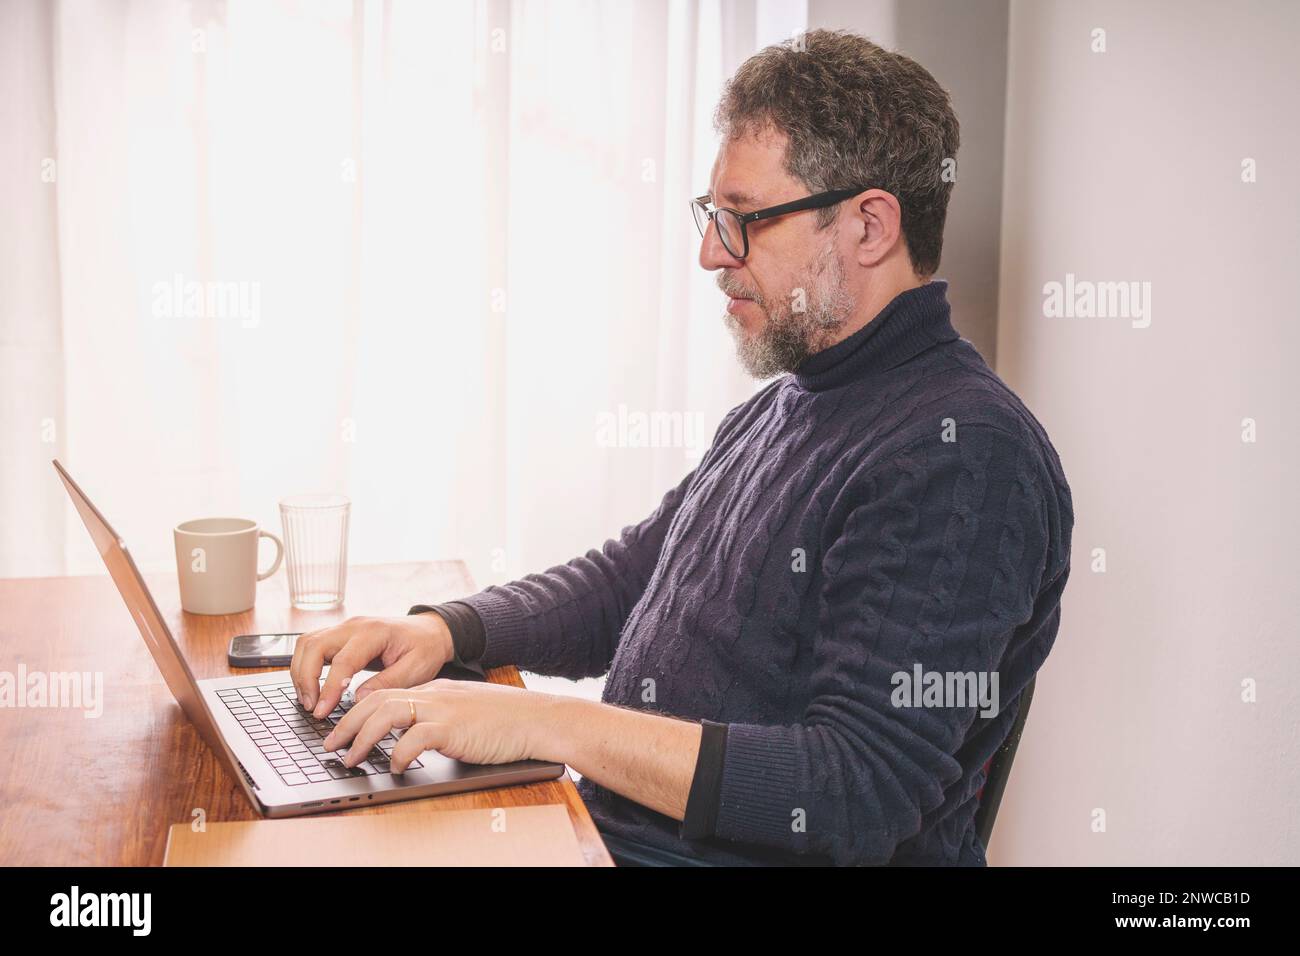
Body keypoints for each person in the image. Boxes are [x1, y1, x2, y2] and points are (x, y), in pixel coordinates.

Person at [291, 29, 1073, 866]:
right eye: (714, 217)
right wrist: (451, 630)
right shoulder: (788, 403)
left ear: (870, 226)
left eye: (744, 220)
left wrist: (539, 722)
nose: (711, 254)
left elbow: (853, 789)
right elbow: (634, 580)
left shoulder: (964, 455)